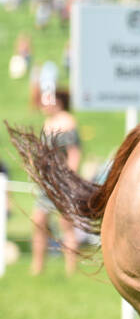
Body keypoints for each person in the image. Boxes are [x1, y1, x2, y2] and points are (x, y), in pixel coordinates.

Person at [30, 88, 81, 276]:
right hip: (47, 182)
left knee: (65, 225)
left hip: (62, 181)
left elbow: (74, 153)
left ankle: (71, 269)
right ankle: (37, 267)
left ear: (58, 101)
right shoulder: (47, 123)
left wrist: (68, 179)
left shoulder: (67, 123)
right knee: (39, 222)